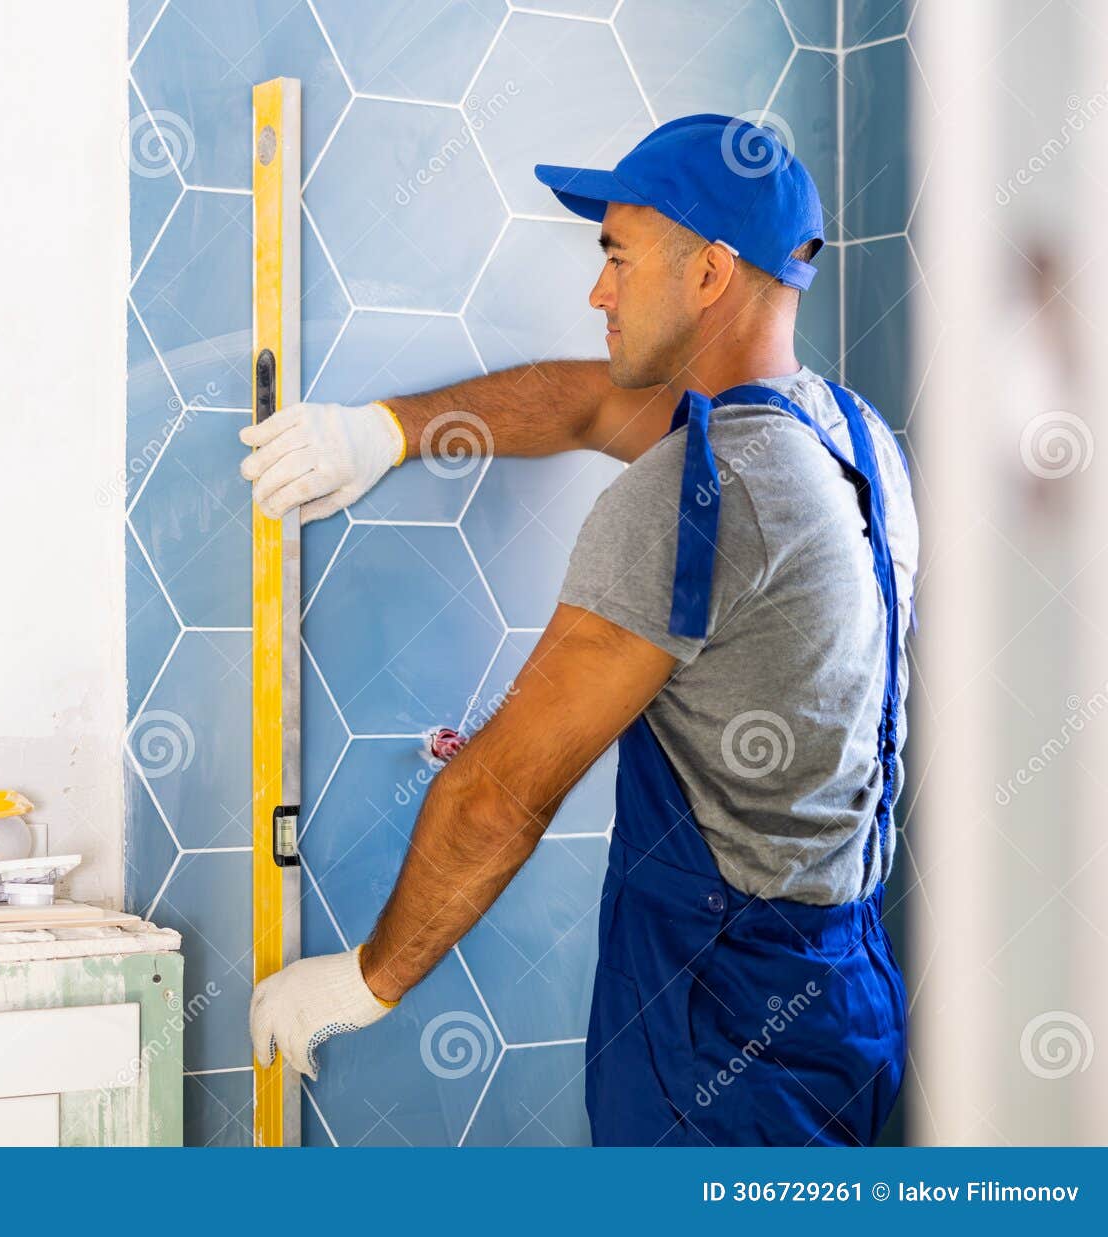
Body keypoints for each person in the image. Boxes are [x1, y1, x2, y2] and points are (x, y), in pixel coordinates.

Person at [241, 114, 918, 1146]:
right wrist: (384, 430)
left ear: (707, 277)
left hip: (715, 1028)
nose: (597, 291)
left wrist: (362, 982)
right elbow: (586, 407)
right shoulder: (848, 440)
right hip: (847, 999)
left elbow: (502, 793)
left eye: (616, 257)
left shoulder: (695, 493)